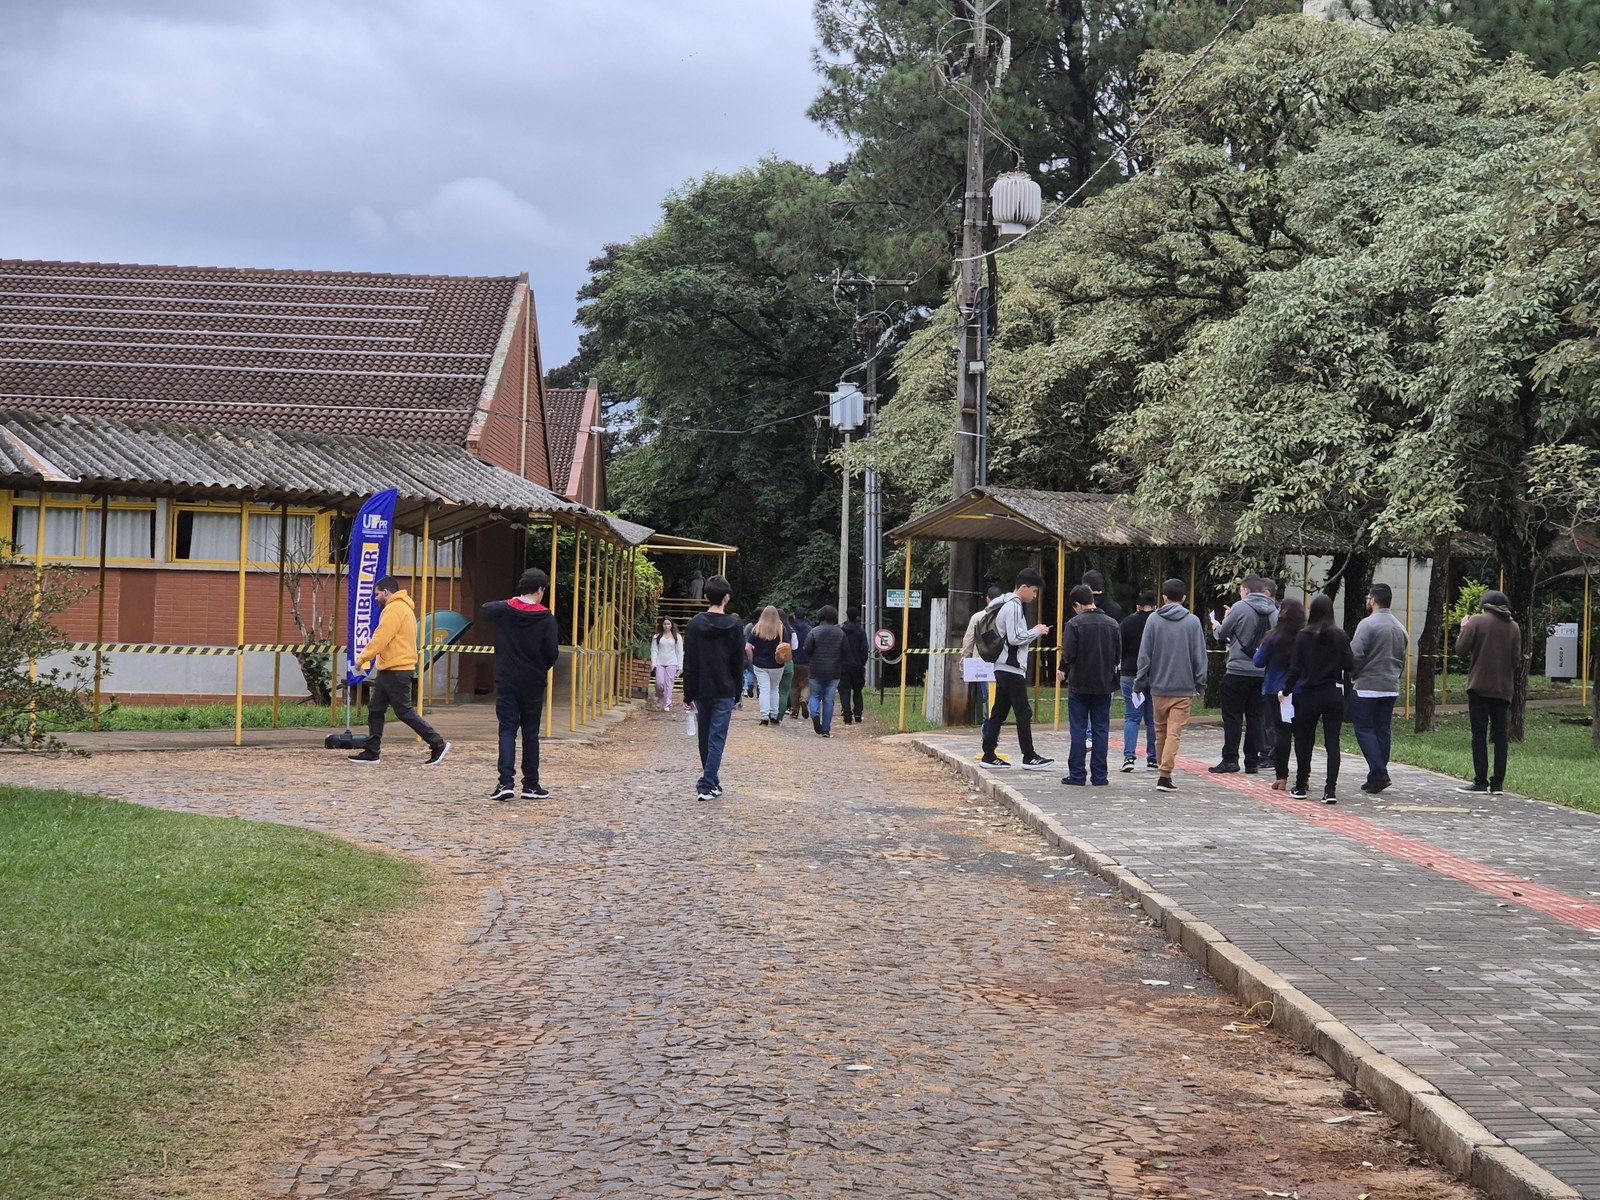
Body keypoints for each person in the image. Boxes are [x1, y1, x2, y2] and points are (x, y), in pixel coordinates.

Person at [348, 576, 450, 766]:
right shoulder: (403, 608)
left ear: (386, 592)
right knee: (376, 709)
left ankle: (438, 743)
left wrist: (362, 660)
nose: (376, 598)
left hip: (396, 668)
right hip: (393, 668)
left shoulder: (394, 609)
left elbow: (381, 637)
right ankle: (372, 751)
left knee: (403, 711)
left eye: (377, 594)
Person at [479, 568, 560, 801]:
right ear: (541, 590)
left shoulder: (503, 611)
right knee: (531, 733)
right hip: (533, 680)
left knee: (507, 730)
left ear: (521, 588)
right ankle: (531, 785)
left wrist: (512, 602)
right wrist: (540, 667)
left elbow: (486, 608)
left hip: (506, 679)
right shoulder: (546, 618)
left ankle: (505, 782)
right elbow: (551, 653)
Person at [1134, 578, 1207, 793]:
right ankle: (1165, 774)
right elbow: (1199, 655)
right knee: (1174, 732)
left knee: (1160, 732)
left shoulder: (1153, 620)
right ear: (1184, 598)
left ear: (1163, 598)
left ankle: (1162, 769)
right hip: (1183, 687)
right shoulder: (1192, 621)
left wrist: (1139, 682)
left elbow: (1144, 655)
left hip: (1158, 686)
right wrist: (1200, 683)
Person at [978, 567, 1054, 770]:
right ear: (1024, 587)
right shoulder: (1013, 606)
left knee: (999, 713)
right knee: (1023, 712)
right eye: (1034, 591)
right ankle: (1028, 756)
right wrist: (1036, 631)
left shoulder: (1004, 602)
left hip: (1003, 666)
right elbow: (1015, 638)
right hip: (1011, 668)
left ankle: (989, 754)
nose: (1035, 596)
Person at [1282, 593, 1354, 803]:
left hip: (1307, 693)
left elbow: (1294, 668)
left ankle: (1301, 785)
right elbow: (1350, 665)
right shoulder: (1340, 636)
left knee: (1304, 741)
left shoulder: (1303, 636)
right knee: (1333, 742)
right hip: (1332, 693)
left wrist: (1286, 690)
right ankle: (1330, 790)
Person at [682, 576, 745, 802]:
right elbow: (738, 662)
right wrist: (738, 692)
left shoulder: (695, 624)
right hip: (725, 687)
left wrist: (687, 693)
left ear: (706, 596)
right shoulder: (735, 626)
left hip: (701, 687)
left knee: (705, 736)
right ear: (727, 597)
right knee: (717, 737)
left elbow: (689, 661)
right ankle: (707, 784)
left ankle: (712, 781)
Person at [1209, 575, 1278, 774]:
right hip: (1262, 672)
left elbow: (1223, 634)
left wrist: (1216, 626)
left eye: (1240, 590)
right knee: (1255, 717)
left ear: (1246, 590)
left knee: (1232, 717)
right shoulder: (1274, 611)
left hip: (1238, 669)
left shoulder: (1240, 607)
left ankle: (1230, 759)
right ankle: (1252, 760)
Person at [1455, 589, 1520, 796]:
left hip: (1479, 686)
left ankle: (1480, 781)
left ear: (1485, 604)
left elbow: (1461, 650)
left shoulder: (1475, 621)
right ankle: (1498, 782)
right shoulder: (1514, 627)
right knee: (1500, 736)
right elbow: (1516, 659)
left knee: (1479, 734)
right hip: (1503, 688)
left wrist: (1463, 628)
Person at [1349, 582, 1410, 794]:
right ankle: (1375, 777)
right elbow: (1402, 659)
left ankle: (1379, 771)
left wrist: (1352, 675)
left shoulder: (1367, 624)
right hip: (1390, 686)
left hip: (1367, 685)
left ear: (1373, 600)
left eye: (1368, 598)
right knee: (1383, 730)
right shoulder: (1400, 627)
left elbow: (1355, 654)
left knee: (1364, 729)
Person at [1058, 583, 1121, 786]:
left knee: (1078, 729)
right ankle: (1100, 776)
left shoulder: (1074, 624)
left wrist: (1065, 669)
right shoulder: (1113, 624)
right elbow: (1117, 655)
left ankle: (1077, 774)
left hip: (1080, 683)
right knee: (1101, 729)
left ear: (1078, 604)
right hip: (1104, 683)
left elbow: (1068, 654)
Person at [1253, 597, 1305, 792]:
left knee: (1281, 732)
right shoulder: (1306, 636)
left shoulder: (1273, 636)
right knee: (1302, 734)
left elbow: (1258, 661)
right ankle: (1303, 777)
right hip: (1300, 690)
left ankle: (1281, 776)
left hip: (1275, 690)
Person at [1117, 590, 1159, 772]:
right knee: (1152, 719)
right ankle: (1153, 758)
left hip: (1130, 674)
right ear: (1156, 606)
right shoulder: (1159, 622)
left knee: (1132, 717)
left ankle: (1129, 757)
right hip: (1155, 674)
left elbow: (1119, 647)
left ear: (1137, 606)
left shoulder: (1127, 623)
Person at [962, 584, 1005, 733]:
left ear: (988, 599)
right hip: (1003, 663)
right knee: (1000, 696)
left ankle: (989, 727)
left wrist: (964, 659)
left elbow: (968, 640)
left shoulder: (977, 617)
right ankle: (992, 728)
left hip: (981, 663)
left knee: (987, 697)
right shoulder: (1006, 615)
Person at [803, 605, 848, 736]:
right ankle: (826, 729)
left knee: (815, 696)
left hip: (816, 669)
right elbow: (845, 651)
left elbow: (807, 649)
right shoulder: (840, 633)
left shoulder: (813, 632)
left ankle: (815, 714)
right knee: (829, 700)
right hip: (834, 671)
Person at [745, 605, 788, 726]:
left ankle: (764, 716)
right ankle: (774, 715)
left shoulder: (757, 628)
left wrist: (752, 658)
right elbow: (787, 645)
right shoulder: (781, 628)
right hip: (777, 664)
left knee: (764, 689)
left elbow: (747, 647)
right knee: (775, 689)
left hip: (760, 664)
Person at [839, 607, 871, 725]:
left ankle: (847, 714)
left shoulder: (841, 631)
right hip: (857, 665)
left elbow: (839, 648)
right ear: (857, 616)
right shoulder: (861, 631)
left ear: (847, 615)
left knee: (844, 690)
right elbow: (864, 648)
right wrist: (862, 662)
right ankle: (858, 713)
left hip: (843, 666)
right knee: (857, 690)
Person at [649, 616, 683, 712]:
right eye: (664, 624)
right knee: (660, 682)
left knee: (669, 684)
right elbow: (654, 650)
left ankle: (667, 703)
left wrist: (680, 665)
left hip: (672, 662)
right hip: (660, 662)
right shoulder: (657, 636)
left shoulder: (677, 637)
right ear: (662, 625)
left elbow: (679, 651)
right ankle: (660, 696)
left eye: (668, 624)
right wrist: (653, 663)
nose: (666, 626)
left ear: (671, 625)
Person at [788, 608, 813, 720]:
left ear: (794, 616)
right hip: (807, 662)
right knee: (805, 684)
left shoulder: (790, 629)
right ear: (805, 617)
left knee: (794, 686)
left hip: (793, 660)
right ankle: (803, 699)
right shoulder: (810, 630)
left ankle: (794, 710)